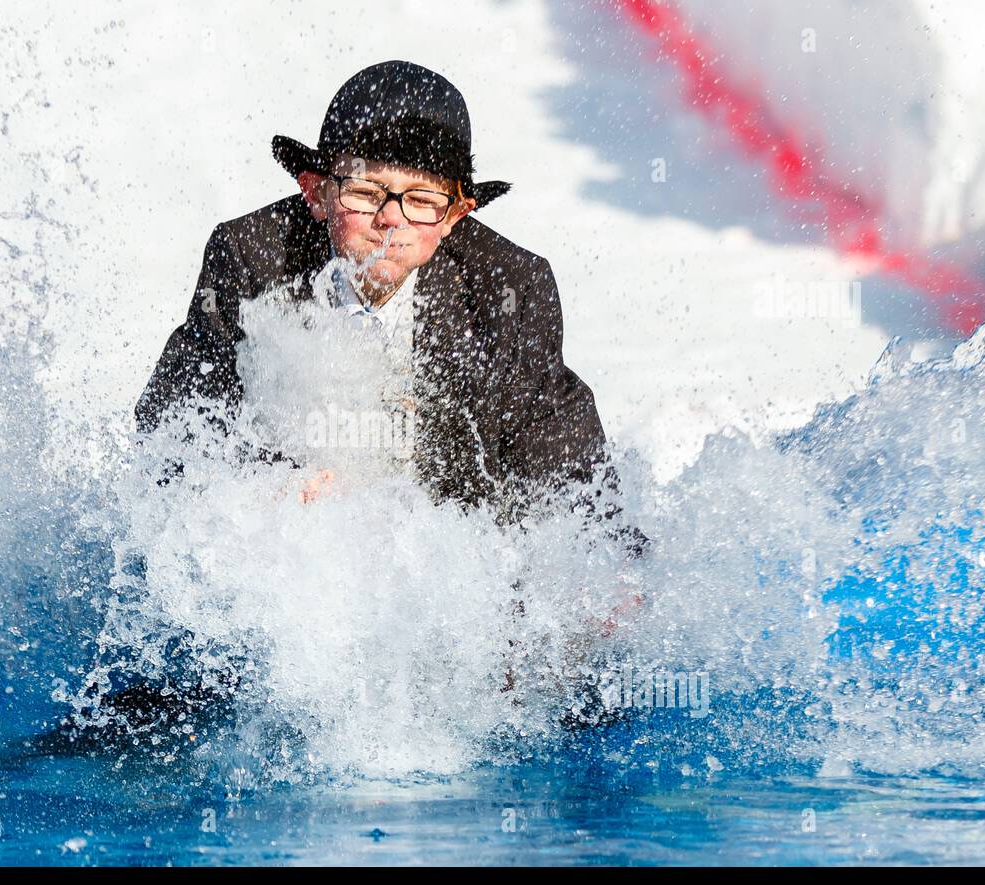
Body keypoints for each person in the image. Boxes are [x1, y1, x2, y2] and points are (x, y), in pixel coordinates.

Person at [135, 59, 645, 553]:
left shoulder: (510, 290)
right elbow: (172, 425)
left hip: (448, 554)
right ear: (316, 193)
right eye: (364, 192)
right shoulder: (252, 258)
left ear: (456, 215)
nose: (390, 221)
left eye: (422, 201)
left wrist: (607, 568)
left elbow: (563, 457)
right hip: (286, 546)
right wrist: (264, 486)